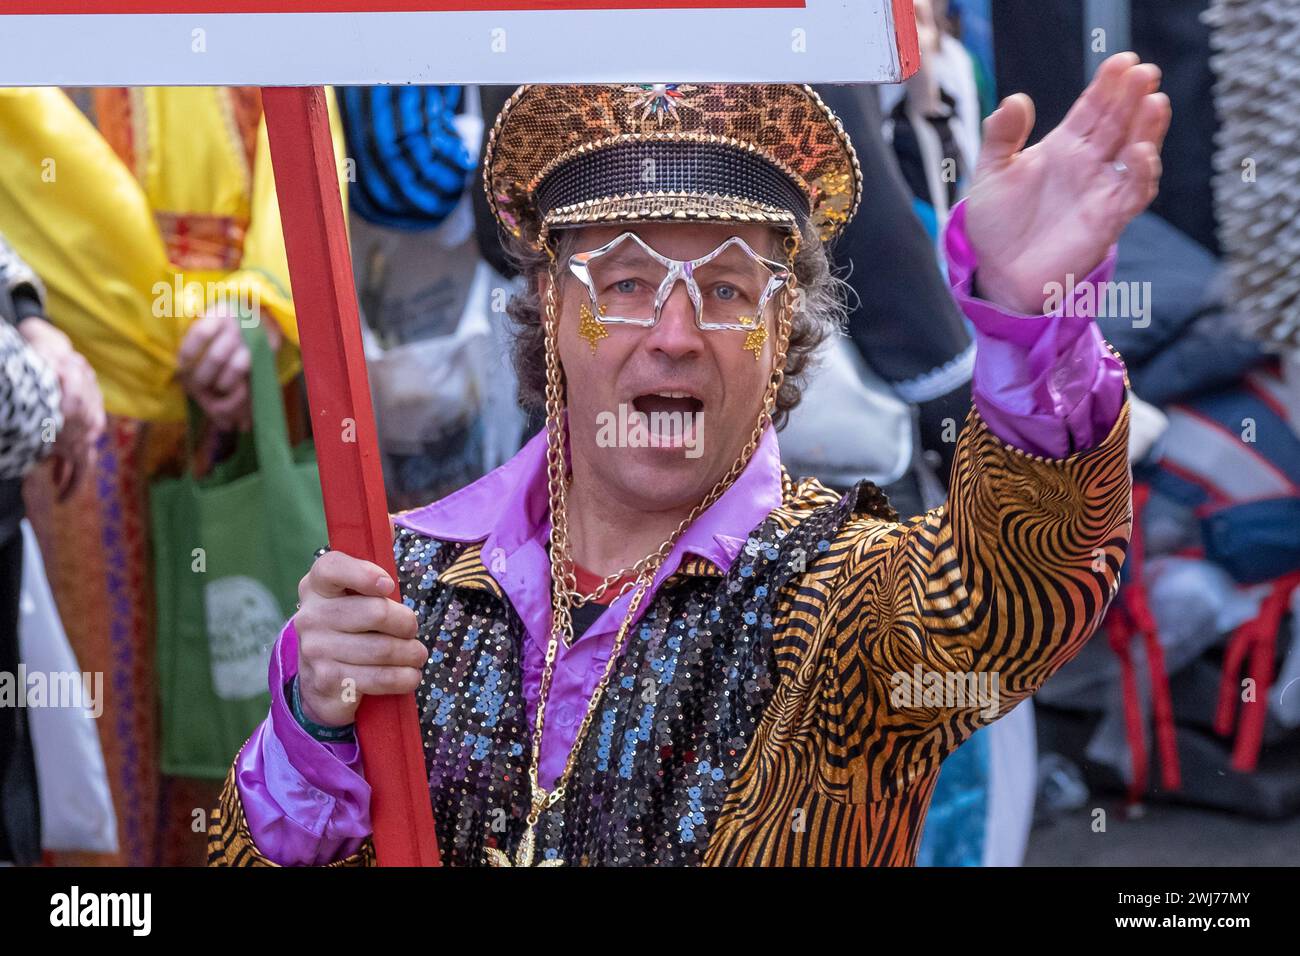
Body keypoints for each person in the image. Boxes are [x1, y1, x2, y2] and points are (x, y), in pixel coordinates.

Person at [210, 55, 1169, 866]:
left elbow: (1018, 588)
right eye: (624, 282)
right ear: (548, 306)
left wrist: (1029, 322)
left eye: (725, 288)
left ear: (782, 324)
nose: (674, 333)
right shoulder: (396, 586)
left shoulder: (845, 599)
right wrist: (314, 729)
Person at [0, 86, 344, 866]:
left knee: (260, 701)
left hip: (256, 382)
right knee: (93, 724)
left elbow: (305, 124)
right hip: (73, 386)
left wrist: (260, 311)